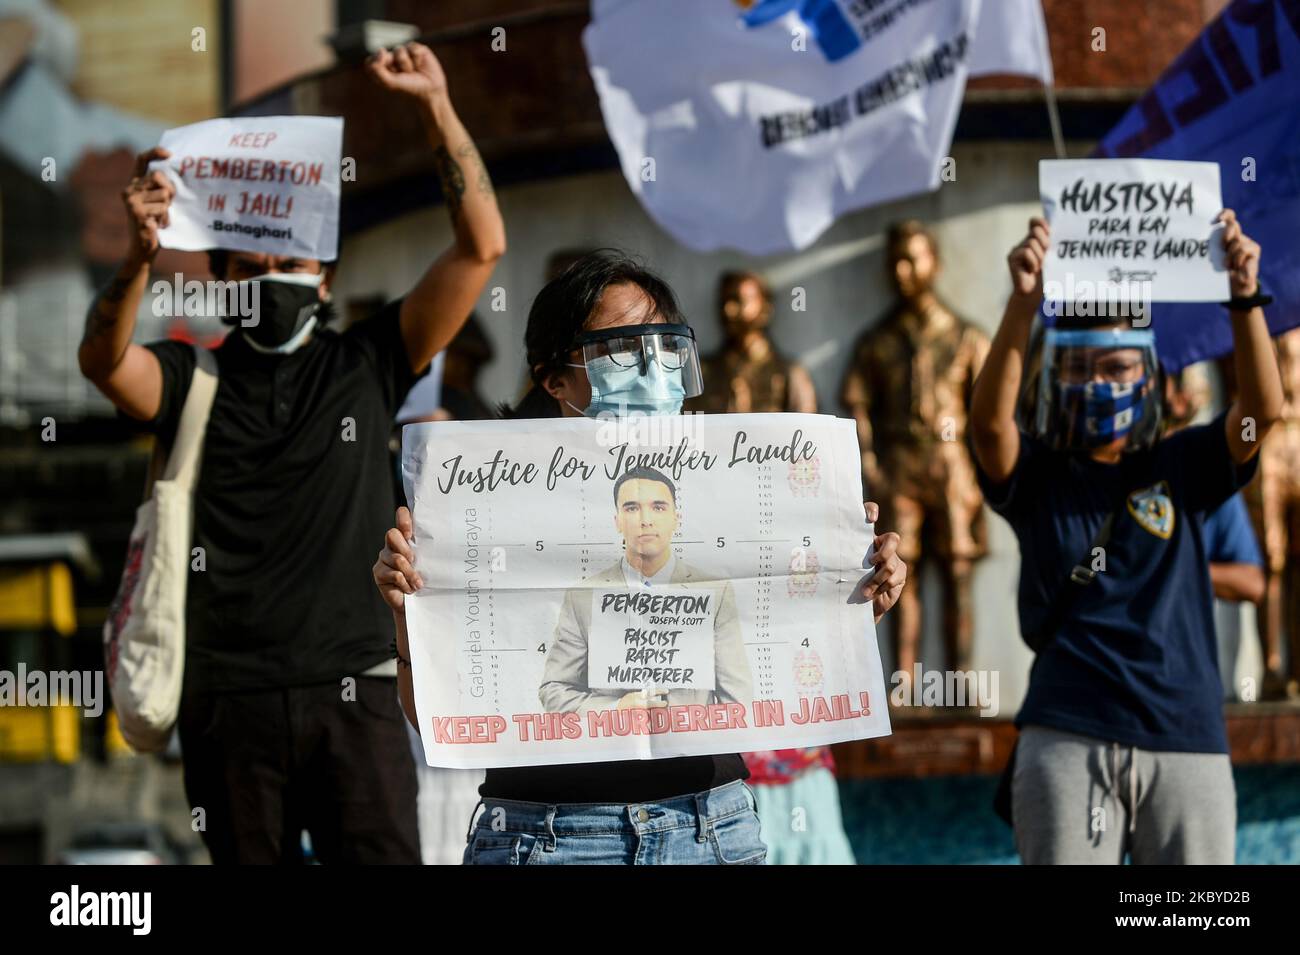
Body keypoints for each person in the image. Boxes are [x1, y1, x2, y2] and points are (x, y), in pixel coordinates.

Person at [80, 42, 505, 863]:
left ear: (326, 278)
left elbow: (480, 247)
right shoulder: (190, 376)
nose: (272, 276)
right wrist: (137, 254)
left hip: (359, 692)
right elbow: (103, 362)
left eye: (291, 262)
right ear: (221, 276)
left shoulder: (370, 360)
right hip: (225, 700)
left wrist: (436, 107)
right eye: (251, 266)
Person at [373, 250, 907, 865]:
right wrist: (408, 613)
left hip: (708, 831)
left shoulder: (740, 491)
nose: (653, 368)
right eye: (622, 349)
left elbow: (764, 667)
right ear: (554, 378)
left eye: (668, 346)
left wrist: (850, 602)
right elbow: (438, 716)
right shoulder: (479, 505)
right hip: (545, 839)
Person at [969, 209, 1283, 864]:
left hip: (1186, 738)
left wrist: (1244, 296)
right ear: (1050, 377)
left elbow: (1261, 412)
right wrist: (1024, 303)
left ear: (1150, 380)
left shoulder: (1183, 465)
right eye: (1078, 367)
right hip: (1067, 733)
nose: (1096, 384)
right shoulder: (1039, 478)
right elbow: (989, 428)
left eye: (1115, 368)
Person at [842, 220, 990, 681]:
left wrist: (983, 475)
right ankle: (903, 685)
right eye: (894, 263)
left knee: (958, 571)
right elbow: (856, 402)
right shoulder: (877, 340)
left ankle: (960, 682)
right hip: (899, 462)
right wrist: (870, 463)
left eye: (911, 260)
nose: (901, 272)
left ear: (935, 263)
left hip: (952, 463)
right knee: (900, 570)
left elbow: (988, 412)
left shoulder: (967, 336)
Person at [539, 465, 752, 713]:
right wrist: (615, 709)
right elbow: (554, 690)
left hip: (692, 737)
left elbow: (738, 702)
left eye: (658, 507)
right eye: (632, 508)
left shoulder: (715, 592)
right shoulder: (583, 597)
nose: (645, 520)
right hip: (617, 737)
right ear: (617, 521)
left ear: (676, 519)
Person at [687, 270, 816, 414]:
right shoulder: (702, 373)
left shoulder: (790, 373)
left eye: (738, 300)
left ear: (765, 309)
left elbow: (806, 423)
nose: (728, 310)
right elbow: (689, 422)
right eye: (724, 301)